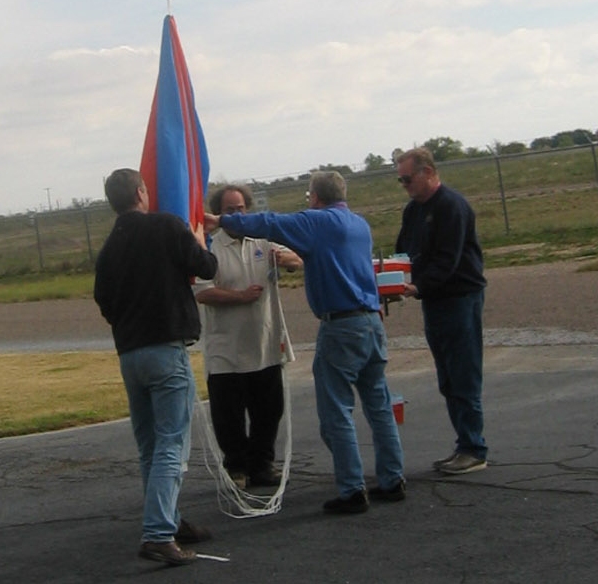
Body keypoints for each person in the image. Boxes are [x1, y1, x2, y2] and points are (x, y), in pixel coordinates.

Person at [204, 169, 404, 514]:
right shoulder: (359, 224)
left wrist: (222, 220)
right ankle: (392, 476)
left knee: (336, 410)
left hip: (340, 324)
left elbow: (271, 223)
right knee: (378, 404)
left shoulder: (317, 222)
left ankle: (352, 488)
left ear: (315, 197)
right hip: (371, 320)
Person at [94, 167, 218, 566]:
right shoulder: (166, 226)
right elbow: (207, 267)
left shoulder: (110, 247)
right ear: (141, 192)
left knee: (150, 445)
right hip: (166, 347)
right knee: (171, 444)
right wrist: (199, 241)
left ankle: (168, 518)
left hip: (130, 353)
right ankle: (159, 533)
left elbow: (104, 301)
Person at [195, 183, 301, 489]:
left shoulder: (263, 240)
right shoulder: (210, 248)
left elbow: (298, 260)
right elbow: (203, 293)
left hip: (265, 343)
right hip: (227, 349)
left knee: (268, 410)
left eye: (241, 209)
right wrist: (240, 297)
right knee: (228, 415)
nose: (237, 215)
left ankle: (262, 465)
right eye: (230, 210)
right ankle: (236, 468)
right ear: (219, 213)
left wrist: (287, 262)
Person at [395, 147, 488, 474]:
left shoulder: (451, 206)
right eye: (400, 180)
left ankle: (474, 448)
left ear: (427, 172)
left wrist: (418, 286)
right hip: (435, 301)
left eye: (408, 178)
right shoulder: (413, 211)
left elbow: (447, 260)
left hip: (459, 297)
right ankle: (464, 443)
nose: (404, 184)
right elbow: (402, 252)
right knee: (447, 376)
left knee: (463, 372)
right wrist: (392, 279)